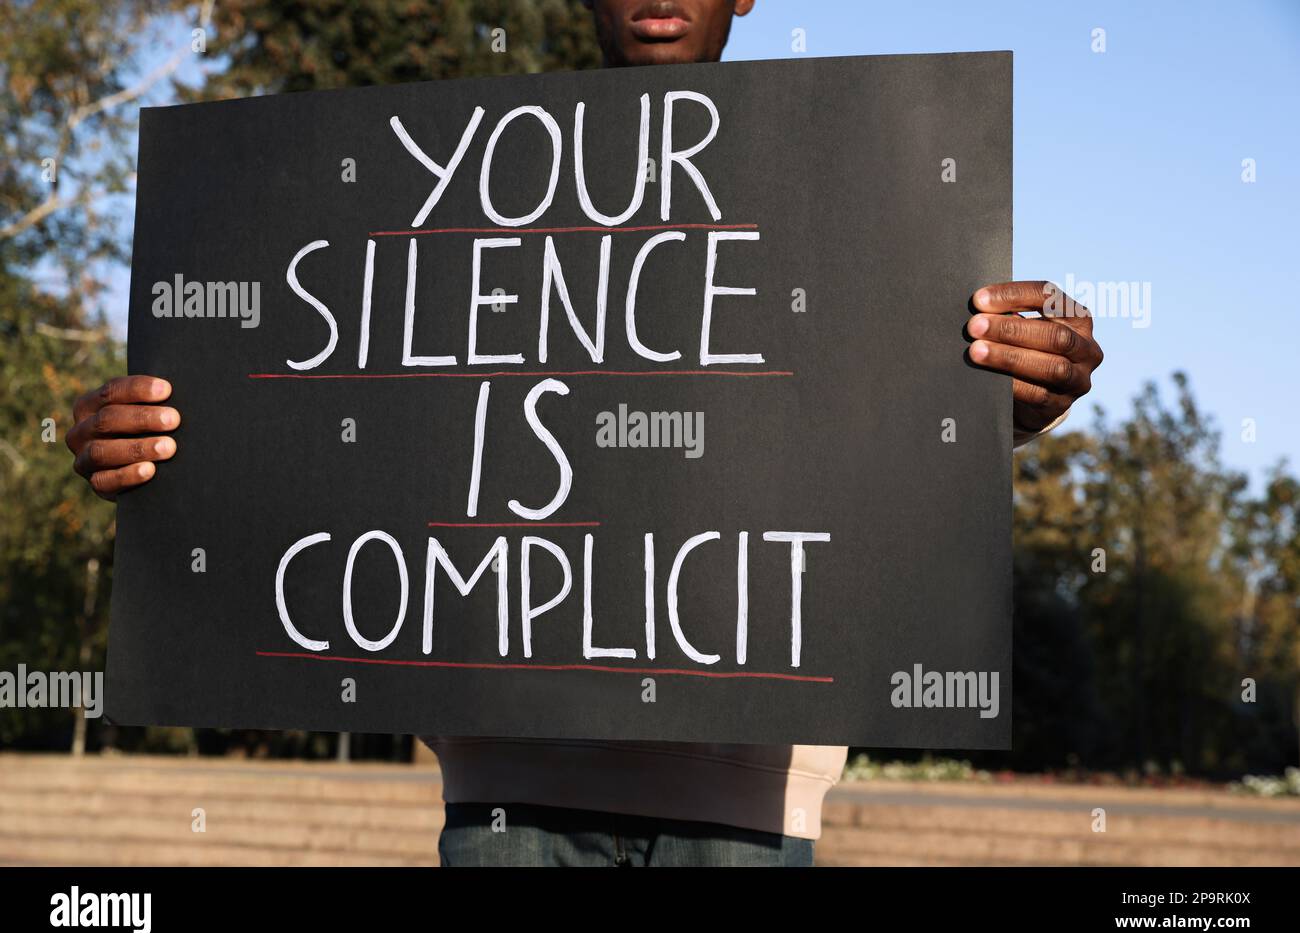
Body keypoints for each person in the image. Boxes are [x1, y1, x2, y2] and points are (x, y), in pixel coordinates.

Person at [66, 0, 1103, 866]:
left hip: (753, 809)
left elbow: (867, 421)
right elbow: (327, 413)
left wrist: (1004, 394)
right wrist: (157, 446)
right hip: (507, 804)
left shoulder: (856, 188)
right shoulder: (463, 183)